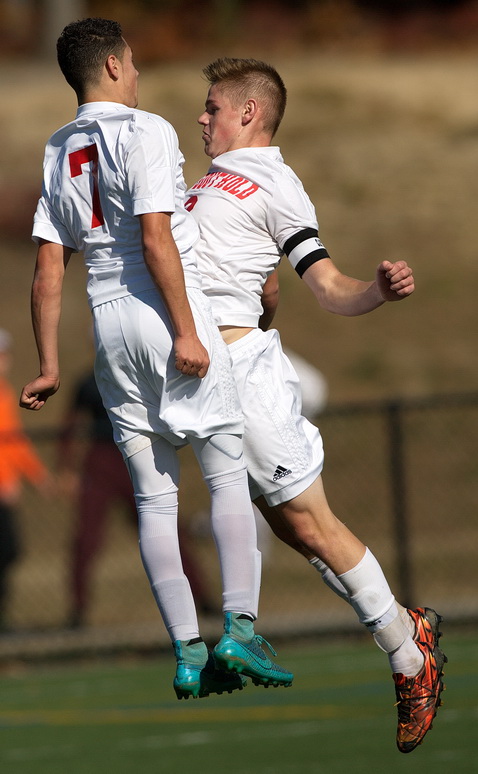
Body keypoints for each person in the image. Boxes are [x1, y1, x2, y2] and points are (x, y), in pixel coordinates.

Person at [19, 20, 293, 699]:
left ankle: (186, 651)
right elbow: (156, 238)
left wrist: (49, 364)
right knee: (226, 470)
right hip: (160, 309)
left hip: (106, 326)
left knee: (154, 497)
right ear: (114, 65)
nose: (139, 73)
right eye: (135, 62)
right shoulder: (146, 131)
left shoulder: (58, 146)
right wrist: (187, 331)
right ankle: (240, 626)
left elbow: (48, 268)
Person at [185, 56, 446, 751]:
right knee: (296, 531)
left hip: (246, 377)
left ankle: (409, 654)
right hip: (209, 379)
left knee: (314, 524)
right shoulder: (202, 181)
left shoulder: (275, 180)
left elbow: (326, 285)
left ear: (249, 112)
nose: (202, 118)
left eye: (213, 106)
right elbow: (253, 281)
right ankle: (405, 636)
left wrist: (377, 291)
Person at [58, 368, 220, 628]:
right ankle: (77, 610)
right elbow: (71, 424)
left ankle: (201, 599)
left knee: (168, 531)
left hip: (139, 455)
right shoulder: (89, 382)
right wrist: (66, 467)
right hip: (102, 460)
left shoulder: (142, 374)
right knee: (86, 538)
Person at [0, 328, 50, 631]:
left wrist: (37, 476)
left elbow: (14, 442)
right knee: (6, 549)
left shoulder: (4, 392)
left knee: (9, 550)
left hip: (6, 488)